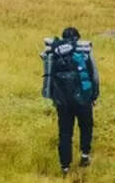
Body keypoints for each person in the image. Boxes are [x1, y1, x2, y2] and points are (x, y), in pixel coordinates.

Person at [42, 26, 100, 174]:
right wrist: (94, 96)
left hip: (62, 102)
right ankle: (85, 155)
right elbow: (94, 77)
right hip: (83, 99)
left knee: (65, 133)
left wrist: (54, 99)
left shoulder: (54, 54)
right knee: (86, 127)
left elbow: (49, 79)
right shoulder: (84, 53)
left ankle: (65, 167)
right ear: (77, 38)